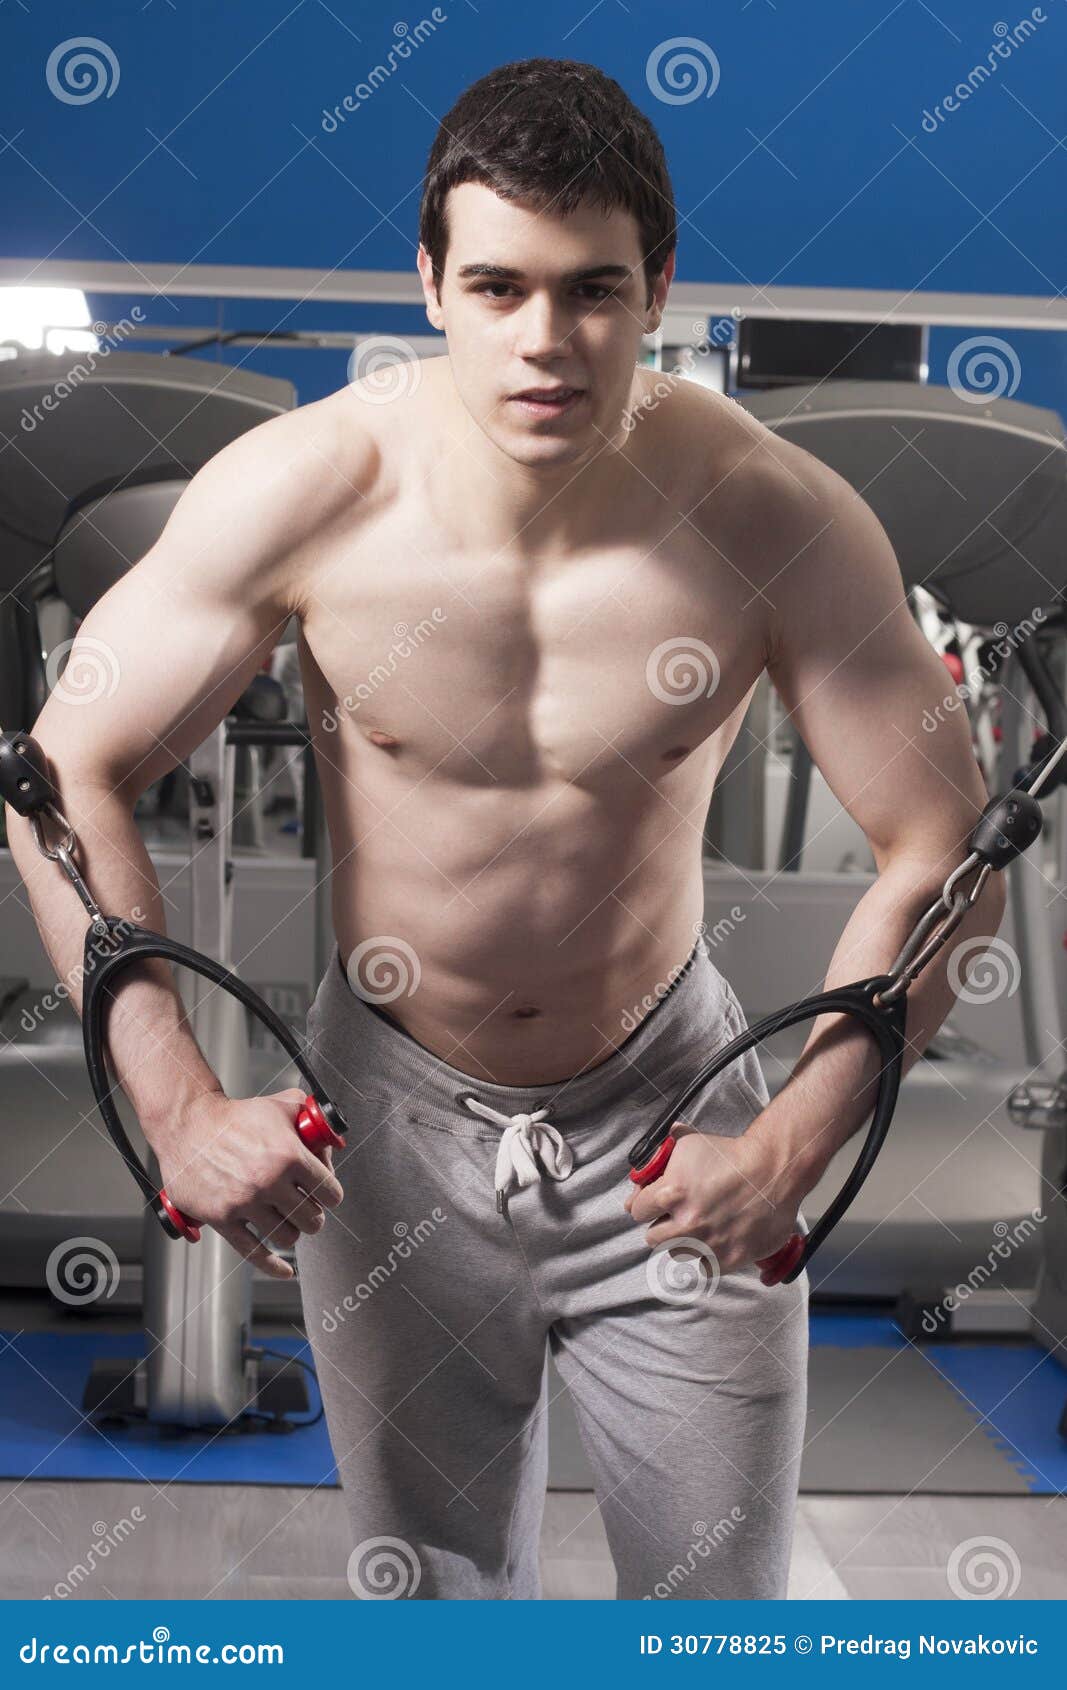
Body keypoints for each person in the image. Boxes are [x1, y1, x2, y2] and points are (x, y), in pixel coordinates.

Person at [8, 58, 1005, 1601]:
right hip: (386, 1136)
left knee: (713, 1621)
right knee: (433, 1608)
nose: (547, 341)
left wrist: (790, 1146)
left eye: (596, 290)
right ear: (430, 283)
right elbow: (67, 768)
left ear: (660, 283)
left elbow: (943, 846)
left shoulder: (774, 514)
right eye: (499, 286)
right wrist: (184, 1104)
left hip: (680, 1115)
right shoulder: (306, 489)